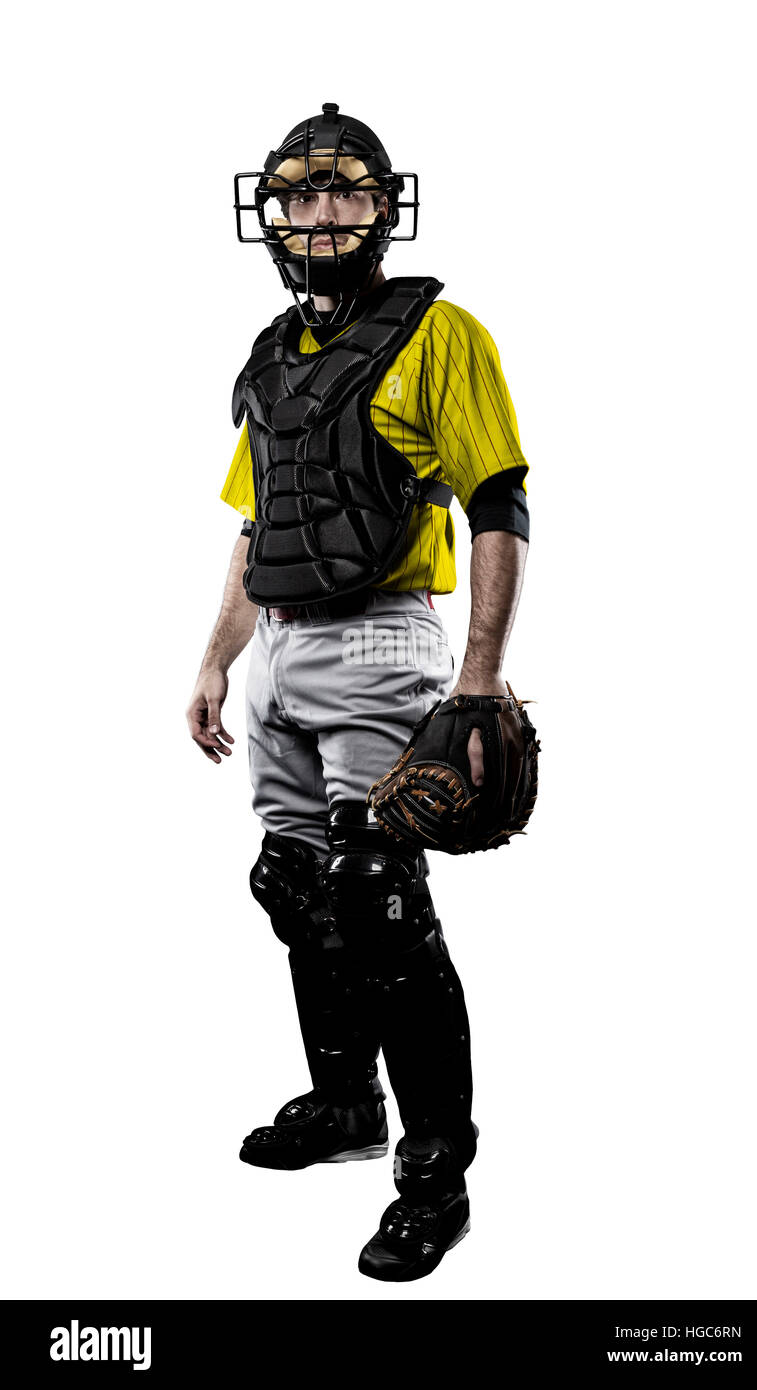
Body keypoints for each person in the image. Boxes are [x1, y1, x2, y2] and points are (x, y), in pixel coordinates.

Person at [186, 102, 530, 1282]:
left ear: (386, 206)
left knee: (376, 890)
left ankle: (437, 1172)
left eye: (346, 190)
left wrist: (478, 681)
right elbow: (259, 523)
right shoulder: (271, 359)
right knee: (293, 882)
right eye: (298, 192)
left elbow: (498, 502)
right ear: (270, 212)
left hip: (387, 639)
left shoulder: (441, 334)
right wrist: (215, 658)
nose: (320, 213)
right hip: (280, 645)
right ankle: (346, 1104)